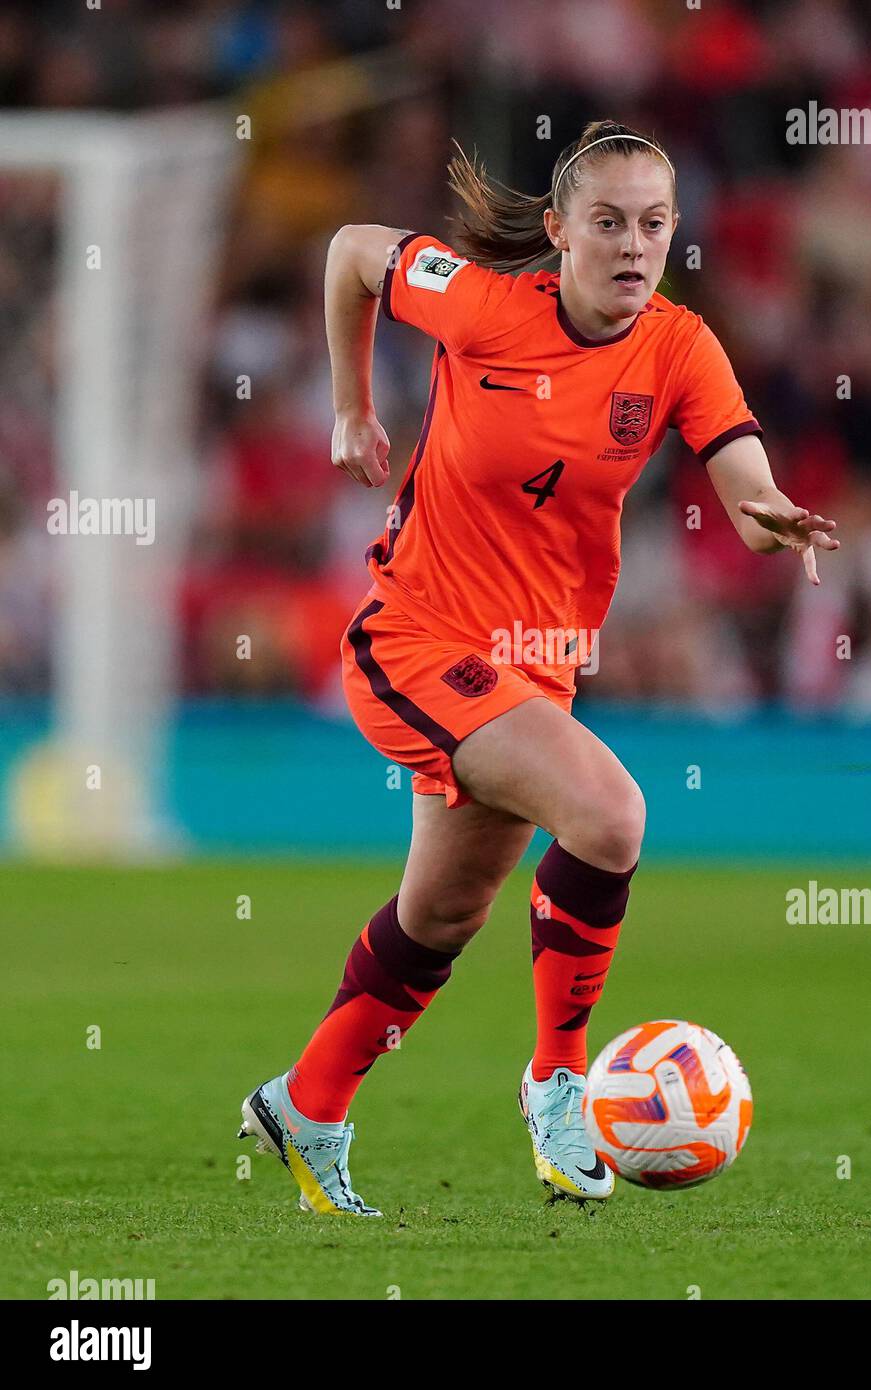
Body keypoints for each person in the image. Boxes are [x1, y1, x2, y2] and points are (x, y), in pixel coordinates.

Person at [238, 120, 839, 1215]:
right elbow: (351, 254)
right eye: (607, 222)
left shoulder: (679, 346)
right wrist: (351, 405)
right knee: (610, 813)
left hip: (534, 669)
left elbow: (742, 474)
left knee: (443, 916)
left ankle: (305, 1102)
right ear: (558, 231)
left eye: (653, 224)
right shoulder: (479, 304)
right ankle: (560, 1078)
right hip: (415, 639)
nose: (632, 245)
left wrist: (771, 519)